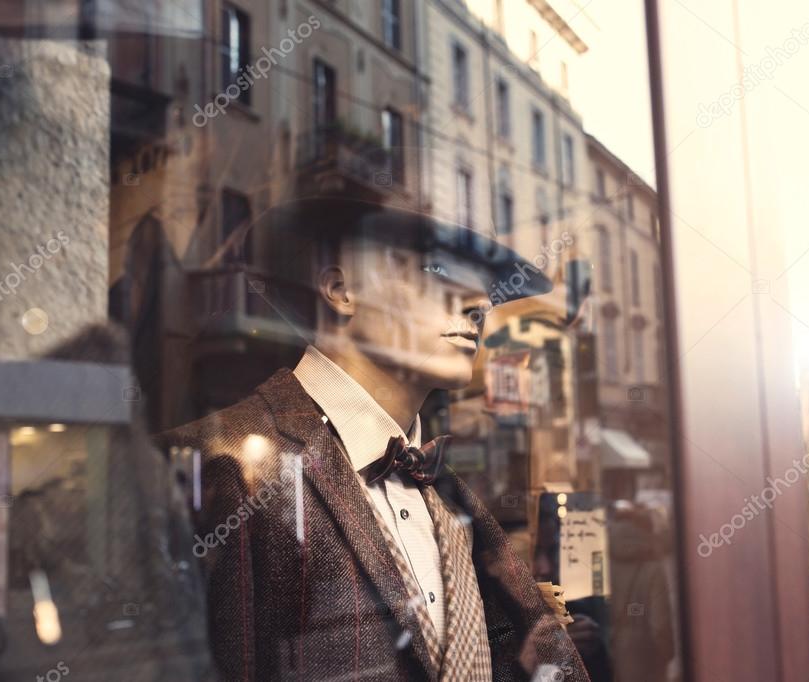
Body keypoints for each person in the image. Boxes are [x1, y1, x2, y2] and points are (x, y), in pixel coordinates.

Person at [157, 198, 588, 681]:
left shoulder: (449, 493)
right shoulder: (217, 464)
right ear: (340, 289)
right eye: (438, 268)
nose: (479, 302)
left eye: (485, 285)